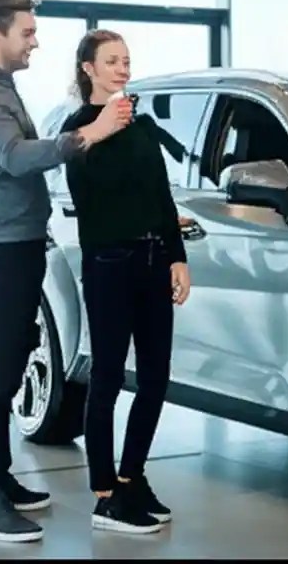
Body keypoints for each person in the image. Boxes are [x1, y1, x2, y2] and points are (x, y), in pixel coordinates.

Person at [0, 0, 133, 543]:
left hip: (23, 243)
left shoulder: (2, 88)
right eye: (27, 32)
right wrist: (91, 133)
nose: (36, 41)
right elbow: (14, 156)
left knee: (9, 367)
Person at [59, 29, 191, 535]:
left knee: (156, 377)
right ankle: (104, 493)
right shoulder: (79, 132)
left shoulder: (140, 126)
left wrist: (177, 258)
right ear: (88, 68)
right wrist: (103, 127)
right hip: (109, 264)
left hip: (156, 260)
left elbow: (161, 196)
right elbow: (94, 199)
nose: (122, 68)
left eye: (126, 60)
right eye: (111, 60)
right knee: (109, 377)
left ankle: (131, 475)